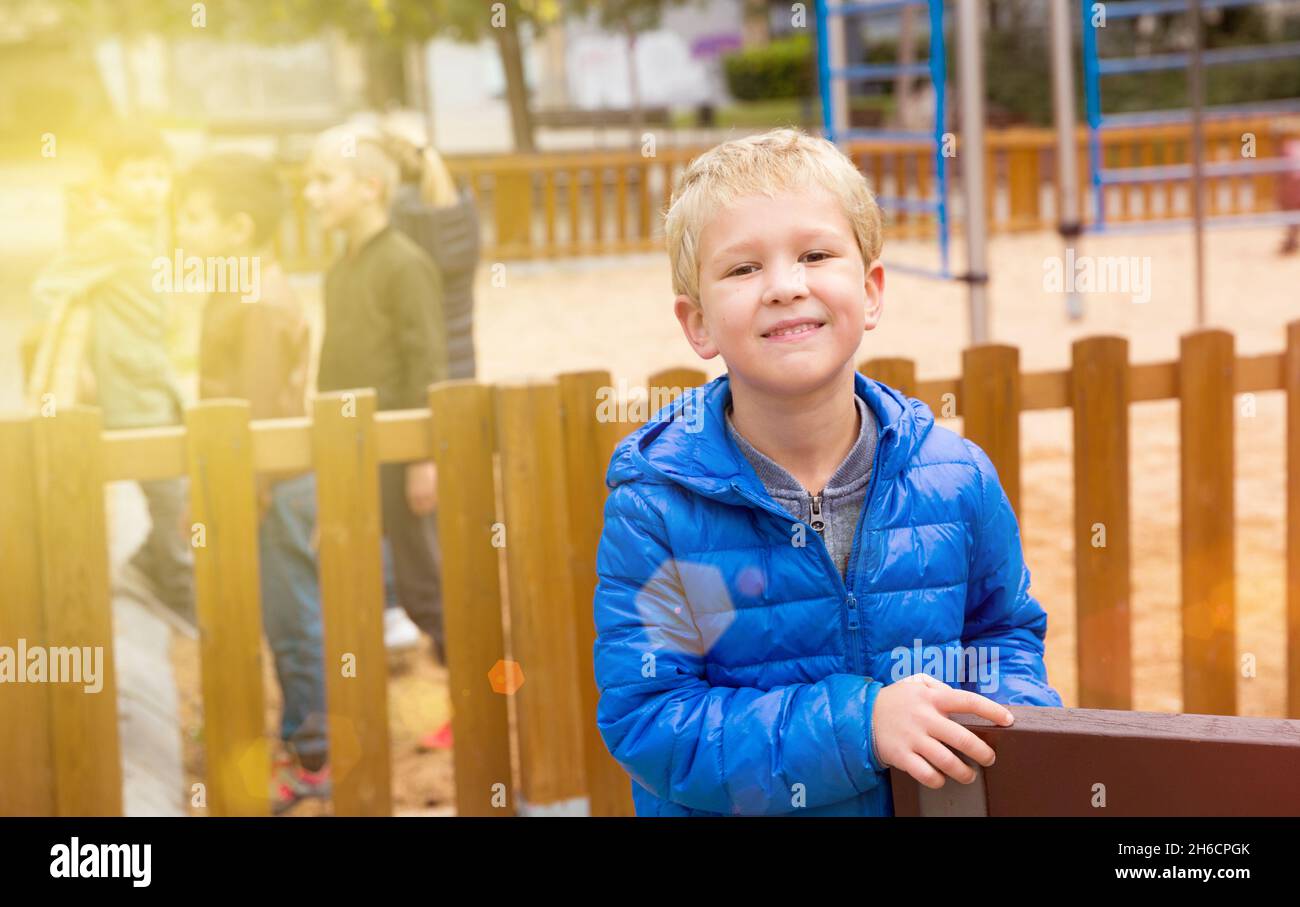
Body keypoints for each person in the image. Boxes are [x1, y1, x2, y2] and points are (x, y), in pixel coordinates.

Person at [592, 127, 1062, 817]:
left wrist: (1001, 717)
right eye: (743, 268)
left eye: (815, 254)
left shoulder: (956, 476)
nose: (785, 286)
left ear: (871, 291)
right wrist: (861, 725)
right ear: (698, 324)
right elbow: (655, 719)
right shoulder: (661, 506)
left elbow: (1004, 633)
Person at [175, 151, 326, 813]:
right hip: (249, 483)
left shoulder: (258, 300)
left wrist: (241, 496)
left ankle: (315, 755)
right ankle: (277, 730)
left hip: (272, 485)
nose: (182, 229)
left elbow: (258, 416)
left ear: (237, 228)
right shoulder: (234, 288)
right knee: (265, 612)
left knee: (291, 620)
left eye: (195, 217)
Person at [31, 124, 195, 632]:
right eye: (137, 176)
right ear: (111, 181)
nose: (150, 186)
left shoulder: (151, 228)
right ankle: (182, 597)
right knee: (171, 495)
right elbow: (50, 287)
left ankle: (152, 570)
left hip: (155, 383)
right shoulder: (110, 236)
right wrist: (77, 358)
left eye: (159, 175)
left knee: (177, 491)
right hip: (131, 393)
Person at [304, 125, 450, 676]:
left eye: (324, 181)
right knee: (350, 566)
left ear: (369, 186)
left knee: (423, 584)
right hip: (350, 448)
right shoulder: (339, 271)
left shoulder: (405, 264)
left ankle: (474, 702)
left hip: (397, 449)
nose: (311, 194)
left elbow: (428, 365)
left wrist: (423, 457)